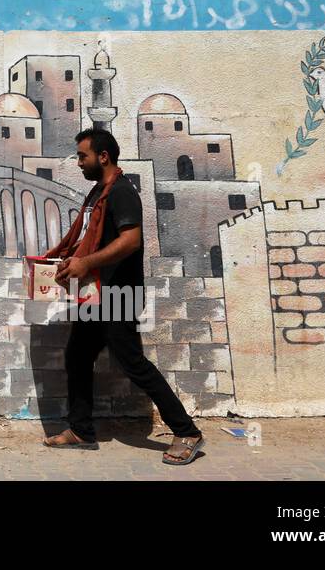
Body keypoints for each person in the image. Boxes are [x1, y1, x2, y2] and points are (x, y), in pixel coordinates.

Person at [40, 128, 205, 466]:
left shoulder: (122, 193)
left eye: (83, 156)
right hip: (97, 293)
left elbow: (131, 241)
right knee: (77, 355)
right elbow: (88, 238)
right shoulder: (97, 193)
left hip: (119, 292)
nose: (79, 162)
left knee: (133, 364)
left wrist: (85, 262)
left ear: (103, 156)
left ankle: (186, 431)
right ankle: (81, 430)